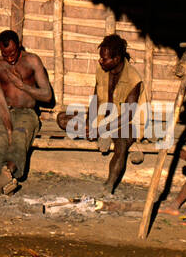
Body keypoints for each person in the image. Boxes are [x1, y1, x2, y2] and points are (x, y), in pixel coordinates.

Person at [57, 33, 144, 194]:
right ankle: (102, 136)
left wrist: (100, 129)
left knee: (121, 145)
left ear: (117, 59)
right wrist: (91, 124)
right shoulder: (102, 69)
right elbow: (96, 99)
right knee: (62, 119)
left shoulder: (134, 79)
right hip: (103, 120)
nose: (100, 61)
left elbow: (128, 116)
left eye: (104, 59)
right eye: (100, 58)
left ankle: (108, 186)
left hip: (125, 124)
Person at [0, 30, 53, 195]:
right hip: (3, 111)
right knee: (1, 137)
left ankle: (3, 178)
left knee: (18, 137)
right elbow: (0, 100)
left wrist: (22, 85)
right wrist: (8, 127)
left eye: (13, 53)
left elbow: (47, 96)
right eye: (5, 54)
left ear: (19, 44)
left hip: (27, 113)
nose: (10, 58)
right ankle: (7, 178)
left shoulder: (32, 61)